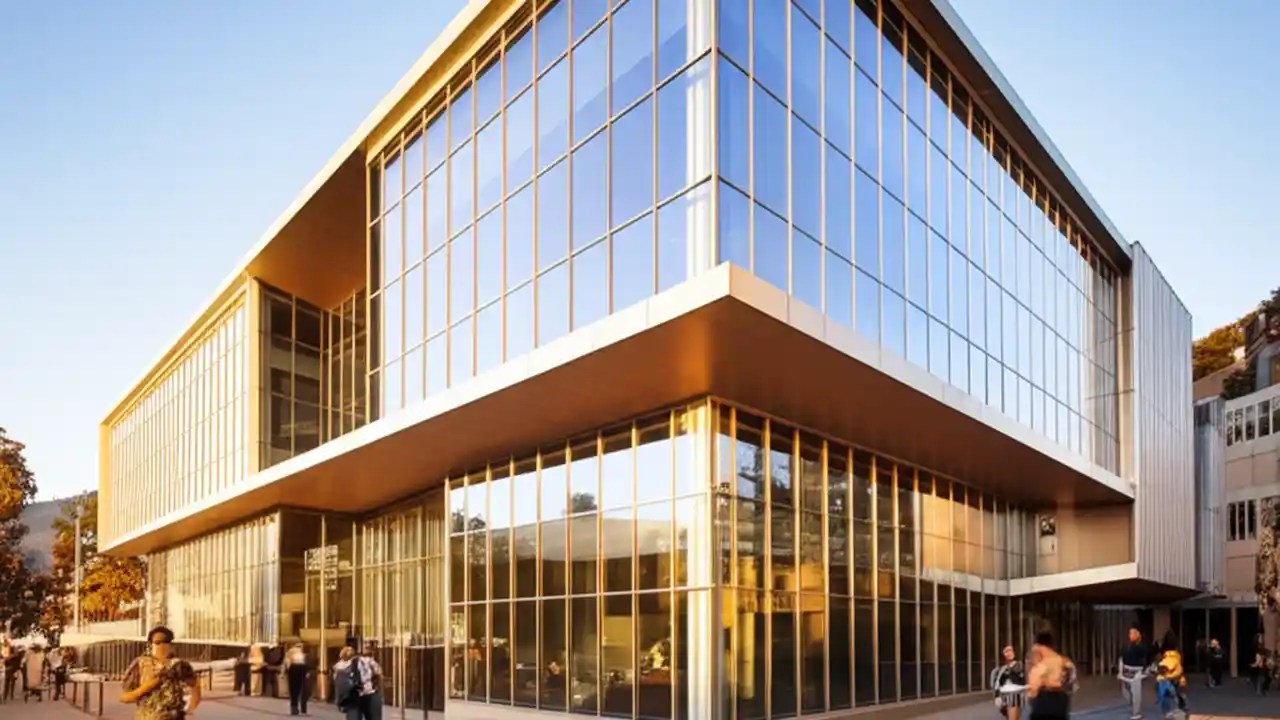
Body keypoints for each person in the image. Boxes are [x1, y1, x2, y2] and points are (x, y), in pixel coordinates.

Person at [120, 626, 202, 720]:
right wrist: (147, 687)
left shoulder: (180, 665)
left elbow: (195, 687)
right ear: (150, 645)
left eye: (166, 642)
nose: (162, 646)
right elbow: (124, 698)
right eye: (158, 642)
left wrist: (188, 709)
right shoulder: (139, 664)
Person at [1026, 631, 1074, 720]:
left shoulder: (1039, 665)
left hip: (1041, 710)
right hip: (1060, 711)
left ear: (1039, 646)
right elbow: (1071, 686)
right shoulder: (1065, 662)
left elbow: (1032, 691)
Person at [332, 645, 383, 720]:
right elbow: (378, 671)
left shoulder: (338, 666)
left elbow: (339, 685)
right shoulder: (366, 661)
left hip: (352, 696)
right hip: (370, 694)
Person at [1118, 625, 1150, 720]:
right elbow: (1121, 658)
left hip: (1137, 671)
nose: (1130, 635)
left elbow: (1147, 659)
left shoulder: (1143, 646)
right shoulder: (1127, 646)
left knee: (1136, 693)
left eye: (1132, 633)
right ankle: (1133, 703)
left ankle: (1137, 713)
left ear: (1138, 634)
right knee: (1125, 692)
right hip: (1126, 670)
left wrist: (1146, 671)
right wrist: (1120, 671)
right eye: (1129, 633)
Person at [1155, 630, 1187, 718]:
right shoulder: (1178, 652)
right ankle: (1180, 709)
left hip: (1166, 676)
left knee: (1165, 694)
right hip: (1176, 675)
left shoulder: (1163, 651)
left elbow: (1160, 664)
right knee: (1177, 693)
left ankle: (1168, 712)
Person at [989, 645, 1027, 720]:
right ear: (1003, 654)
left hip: (1014, 697)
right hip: (1004, 698)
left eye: (1011, 651)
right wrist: (997, 697)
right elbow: (997, 684)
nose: (1009, 653)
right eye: (1006, 651)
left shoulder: (1019, 665)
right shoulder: (1001, 669)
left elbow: (1023, 681)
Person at [286, 643, 311, 716]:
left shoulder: (291, 651)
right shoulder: (303, 652)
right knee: (303, 688)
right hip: (301, 667)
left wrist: (286, 670)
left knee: (293, 689)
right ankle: (303, 709)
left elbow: (287, 662)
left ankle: (294, 708)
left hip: (293, 668)